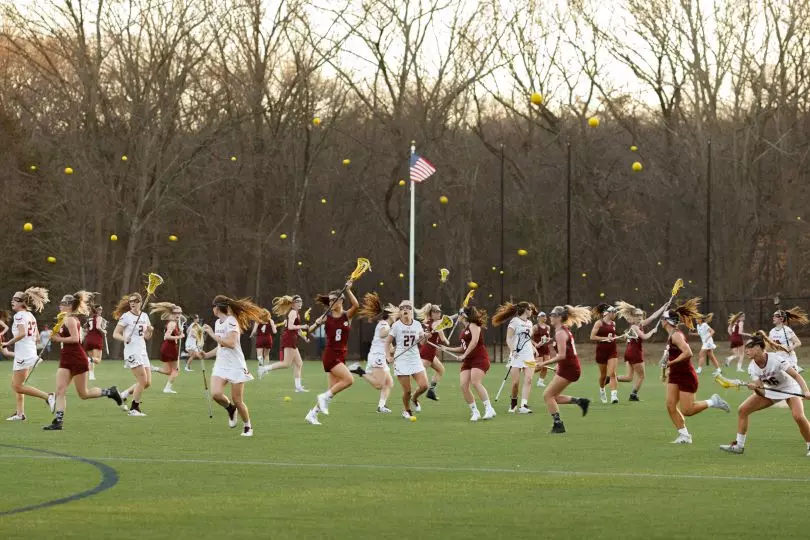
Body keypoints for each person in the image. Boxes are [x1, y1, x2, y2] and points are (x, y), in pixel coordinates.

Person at [719, 331, 810, 456]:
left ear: (758, 348)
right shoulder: (752, 367)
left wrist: (806, 391)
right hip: (771, 391)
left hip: (790, 388)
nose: (746, 351)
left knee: (798, 416)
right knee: (743, 409)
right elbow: (762, 392)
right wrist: (756, 388)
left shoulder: (776, 359)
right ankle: (738, 446)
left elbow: (796, 375)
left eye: (749, 348)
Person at [43, 292, 123, 430]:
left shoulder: (71, 320)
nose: (60, 305)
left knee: (84, 394)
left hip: (77, 358)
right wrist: (54, 334)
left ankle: (110, 392)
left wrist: (58, 339)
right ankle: (58, 421)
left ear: (69, 306)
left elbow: (75, 339)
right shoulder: (63, 319)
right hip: (65, 358)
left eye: (63, 304)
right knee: (60, 390)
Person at [660, 299, 730, 444]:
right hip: (675, 375)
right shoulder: (670, 334)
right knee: (670, 405)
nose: (661, 321)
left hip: (686, 376)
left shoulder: (676, 335)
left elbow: (688, 352)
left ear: (667, 321)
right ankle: (684, 435)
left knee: (688, 410)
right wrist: (668, 369)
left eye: (663, 318)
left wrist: (670, 363)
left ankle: (713, 401)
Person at [202, 295, 266, 437]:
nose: (213, 309)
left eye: (213, 306)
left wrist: (212, 334)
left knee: (237, 399)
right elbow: (221, 346)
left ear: (217, 308)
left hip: (236, 365)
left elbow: (230, 344)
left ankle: (248, 426)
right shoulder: (218, 323)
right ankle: (230, 409)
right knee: (216, 394)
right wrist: (206, 355)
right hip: (221, 364)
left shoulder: (232, 322)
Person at [304, 282, 359, 425]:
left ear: (341, 301)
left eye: (334, 299)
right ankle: (322, 398)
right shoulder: (326, 317)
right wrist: (316, 323)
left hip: (341, 354)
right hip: (330, 354)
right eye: (330, 300)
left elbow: (356, 306)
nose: (331, 302)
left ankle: (312, 414)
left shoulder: (347, 315)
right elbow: (308, 331)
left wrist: (348, 290)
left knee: (331, 390)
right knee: (349, 380)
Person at [536, 305, 592, 433]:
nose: (550, 317)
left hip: (570, 368)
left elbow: (562, 355)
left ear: (559, 317)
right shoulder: (561, 331)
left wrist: (544, 364)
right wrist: (558, 365)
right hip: (566, 366)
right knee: (553, 397)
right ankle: (581, 401)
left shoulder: (561, 333)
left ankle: (558, 425)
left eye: (552, 315)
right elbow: (566, 352)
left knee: (547, 395)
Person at [1, 288, 55, 421]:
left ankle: (48, 396)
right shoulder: (30, 315)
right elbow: (36, 337)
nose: (12, 301)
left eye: (15, 299)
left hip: (24, 354)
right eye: (12, 299)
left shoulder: (19, 315)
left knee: (18, 386)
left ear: (22, 303)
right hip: (27, 352)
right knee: (16, 384)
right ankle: (20, 414)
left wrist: (8, 342)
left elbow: (22, 333)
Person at [444, 305, 497, 422]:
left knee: (475, 382)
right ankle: (475, 411)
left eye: (460, 314)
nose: (458, 316)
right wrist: (447, 349)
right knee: (463, 385)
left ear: (464, 315)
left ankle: (489, 408)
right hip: (468, 360)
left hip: (479, 358)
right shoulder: (463, 331)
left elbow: (474, 341)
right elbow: (463, 347)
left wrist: (464, 355)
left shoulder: (474, 325)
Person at [350, 292, 396, 413]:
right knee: (379, 385)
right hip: (377, 357)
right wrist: (394, 329)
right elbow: (382, 334)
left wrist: (402, 347)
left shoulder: (388, 326)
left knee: (389, 383)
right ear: (390, 315)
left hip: (378, 357)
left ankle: (381, 406)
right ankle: (359, 370)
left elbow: (391, 349)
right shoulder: (384, 324)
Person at [614, 300, 667, 401]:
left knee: (629, 377)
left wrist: (664, 307)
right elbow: (644, 337)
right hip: (635, 353)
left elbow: (653, 316)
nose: (640, 317)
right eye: (637, 315)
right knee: (642, 376)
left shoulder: (640, 324)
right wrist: (652, 331)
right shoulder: (635, 327)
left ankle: (612, 379)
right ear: (633, 317)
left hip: (629, 352)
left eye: (641, 315)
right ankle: (633, 395)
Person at [385, 299, 429, 420]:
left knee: (424, 385)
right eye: (402, 308)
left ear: (411, 311)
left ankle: (415, 399)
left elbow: (423, 342)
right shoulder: (396, 325)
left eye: (408, 307)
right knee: (407, 391)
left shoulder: (417, 325)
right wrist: (388, 356)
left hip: (415, 359)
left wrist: (425, 337)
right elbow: (387, 342)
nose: (405, 309)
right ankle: (406, 410)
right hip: (401, 360)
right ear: (400, 311)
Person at [113, 292, 154, 416]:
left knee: (147, 383)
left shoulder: (144, 316)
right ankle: (134, 409)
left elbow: (146, 336)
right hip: (132, 351)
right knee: (142, 380)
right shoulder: (126, 316)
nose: (132, 303)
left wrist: (150, 331)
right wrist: (124, 338)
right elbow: (115, 333)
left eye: (135, 301)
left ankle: (123, 394)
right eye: (130, 301)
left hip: (142, 351)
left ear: (140, 302)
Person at [258, 295, 309, 392]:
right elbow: (290, 327)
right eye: (297, 301)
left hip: (292, 339)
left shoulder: (296, 313)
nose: (300, 303)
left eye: (301, 301)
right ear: (293, 303)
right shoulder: (293, 312)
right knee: (286, 363)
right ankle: (264, 369)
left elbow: (296, 329)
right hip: (289, 339)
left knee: (299, 363)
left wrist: (304, 337)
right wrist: (302, 326)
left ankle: (298, 387)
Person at [492, 301, 534, 413]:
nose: (531, 311)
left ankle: (524, 405)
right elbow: (509, 338)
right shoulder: (514, 321)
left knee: (529, 379)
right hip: (516, 356)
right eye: (530, 309)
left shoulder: (530, 323)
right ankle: (514, 402)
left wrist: (534, 348)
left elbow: (528, 339)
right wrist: (513, 350)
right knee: (515, 383)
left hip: (529, 356)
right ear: (525, 309)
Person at [149, 302, 184, 394]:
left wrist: (179, 333)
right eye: (176, 313)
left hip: (167, 348)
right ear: (172, 313)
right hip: (170, 348)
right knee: (176, 371)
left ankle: (153, 368)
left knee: (168, 371)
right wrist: (179, 337)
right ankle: (167, 388)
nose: (178, 315)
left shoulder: (173, 323)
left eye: (179, 313)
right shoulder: (172, 323)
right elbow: (166, 336)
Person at [415, 303, 448, 401]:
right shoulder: (437, 324)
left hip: (428, 350)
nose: (439, 313)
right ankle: (413, 398)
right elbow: (443, 339)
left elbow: (422, 343)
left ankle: (431, 391)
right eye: (437, 312)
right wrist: (447, 341)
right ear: (432, 313)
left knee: (440, 370)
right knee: (422, 382)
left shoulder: (428, 322)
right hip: (428, 352)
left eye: (439, 311)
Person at [590, 303, 619, 403]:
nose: (615, 314)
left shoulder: (613, 324)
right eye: (613, 312)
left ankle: (614, 396)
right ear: (607, 313)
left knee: (612, 374)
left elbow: (613, 336)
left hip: (612, 351)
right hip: (601, 351)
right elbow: (592, 337)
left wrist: (622, 336)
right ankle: (602, 390)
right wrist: (606, 338)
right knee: (603, 375)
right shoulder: (599, 323)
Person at [769, 307, 808, 373]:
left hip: (789, 358)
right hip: (778, 358)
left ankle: (796, 368)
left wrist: (791, 348)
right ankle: (797, 369)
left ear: (781, 319)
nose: (773, 317)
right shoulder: (772, 331)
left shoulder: (787, 330)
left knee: (793, 380)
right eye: (773, 316)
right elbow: (770, 344)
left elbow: (798, 342)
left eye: (775, 316)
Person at [83, 301, 106, 381]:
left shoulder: (89, 319)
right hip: (96, 339)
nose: (101, 311)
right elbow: (98, 327)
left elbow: (85, 329)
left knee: (92, 359)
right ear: (97, 310)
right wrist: (104, 331)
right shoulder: (99, 318)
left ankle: (91, 375)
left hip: (88, 340)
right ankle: (88, 359)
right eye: (100, 309)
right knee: (97, 360)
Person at [532, 310, 551, 388]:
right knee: (539, 367)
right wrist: (536, 344)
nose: (545, 318)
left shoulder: (548, 327)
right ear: (539, 318)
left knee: (546, 365)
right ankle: (528, 371)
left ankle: (540, 382)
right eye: (543, 316)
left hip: (546, 348)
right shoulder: (535, 327)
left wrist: (548, 339)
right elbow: (528, 338)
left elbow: (548, 337)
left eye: (545, 316)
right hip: (538, 349)